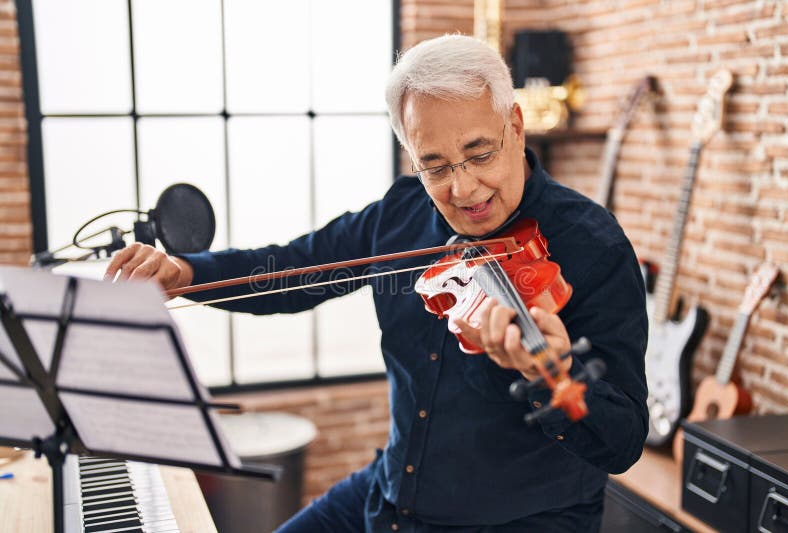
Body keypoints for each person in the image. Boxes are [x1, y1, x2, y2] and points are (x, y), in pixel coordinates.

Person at [105, 34, 647, 532]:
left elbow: (623, 442)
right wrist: (187, 273)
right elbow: (295, 268)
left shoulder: (593, 245)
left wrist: (552, 375)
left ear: (517, 125)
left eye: (479, 153)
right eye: (434, 166)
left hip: (522, 520)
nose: (463, 188)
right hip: (393, 494)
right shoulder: (400, 214)